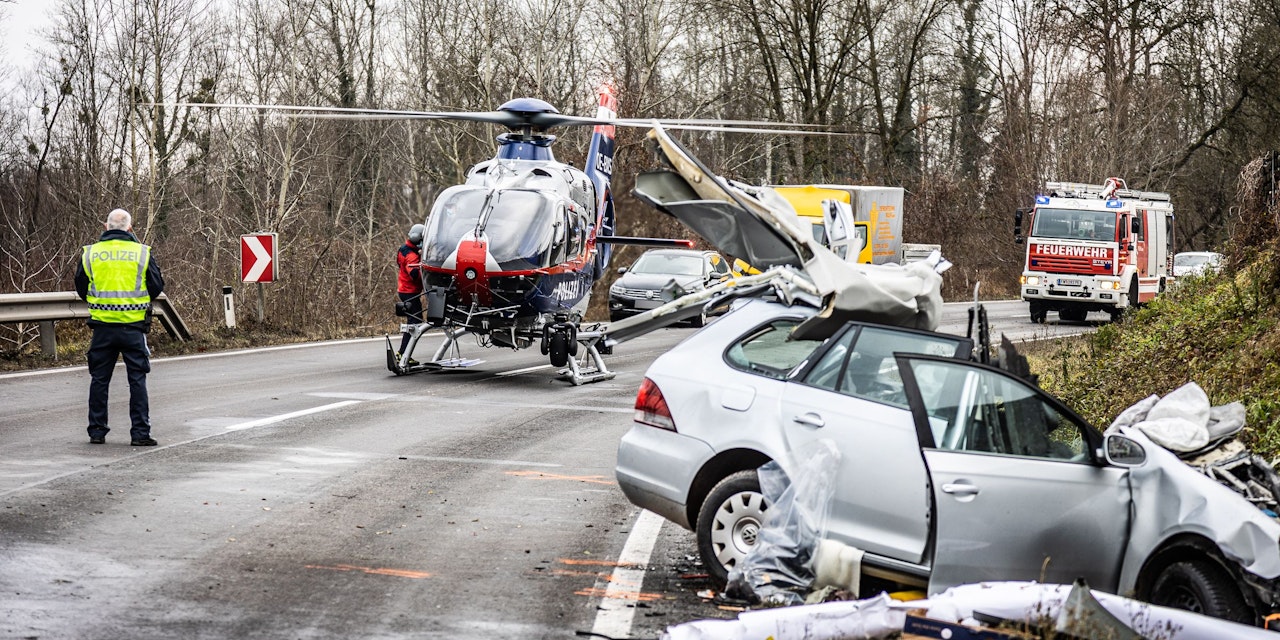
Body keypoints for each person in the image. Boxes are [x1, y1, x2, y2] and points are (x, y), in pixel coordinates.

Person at [74, 209, 165, 446]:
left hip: (102, 327)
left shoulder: (91, 253)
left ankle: (96, 431)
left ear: (106, 226)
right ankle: (140, 434)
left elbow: (81, 287)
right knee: (137, 380)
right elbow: (156, 286)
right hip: (133, 327)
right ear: (130, 229)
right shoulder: (142, 253)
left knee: (99, 380)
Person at [396, 223, 426, 363]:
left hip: (403, 289)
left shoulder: (403, 249)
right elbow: (415, 274)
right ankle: (403, 354)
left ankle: (405, 353)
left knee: (414, 321)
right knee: (414, 324)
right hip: (410, 292)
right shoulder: (412, 256)